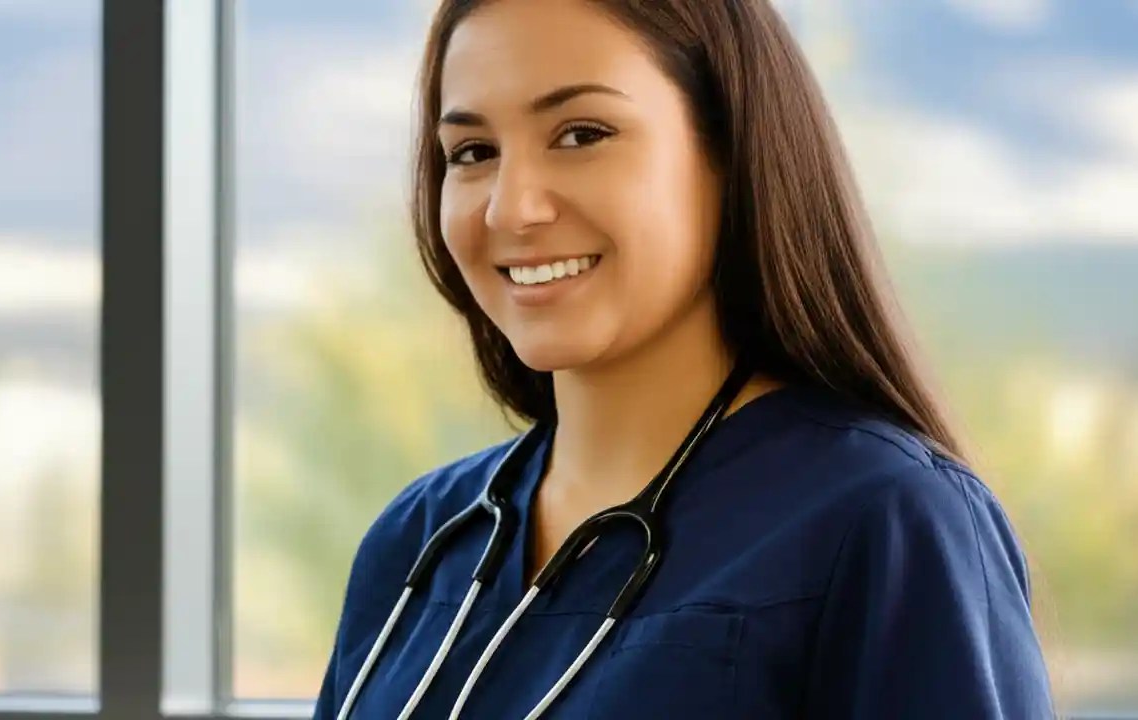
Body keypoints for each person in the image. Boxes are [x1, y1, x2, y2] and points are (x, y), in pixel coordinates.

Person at [312, 0, 1057, 717]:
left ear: (731, 152)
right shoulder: (418, 540)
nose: (511, 208)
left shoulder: (885, 521)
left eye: (580, 134)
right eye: (472, 153)